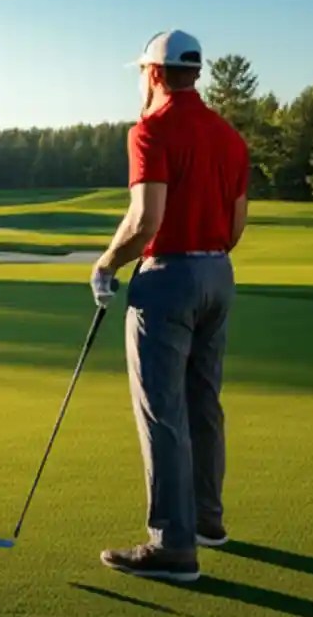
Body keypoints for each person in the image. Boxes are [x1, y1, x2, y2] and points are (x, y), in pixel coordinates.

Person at [90, 30, 251, 582]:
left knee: (163, 412)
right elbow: (236, 226)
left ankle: (173, 546)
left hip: (169, 280)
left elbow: (144, 221)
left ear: (155, 73)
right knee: (203, 402)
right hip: (218, 274)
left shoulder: (150, 131)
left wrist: (108, 263)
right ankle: (208, 521)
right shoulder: (230, 137)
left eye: (141, 72)